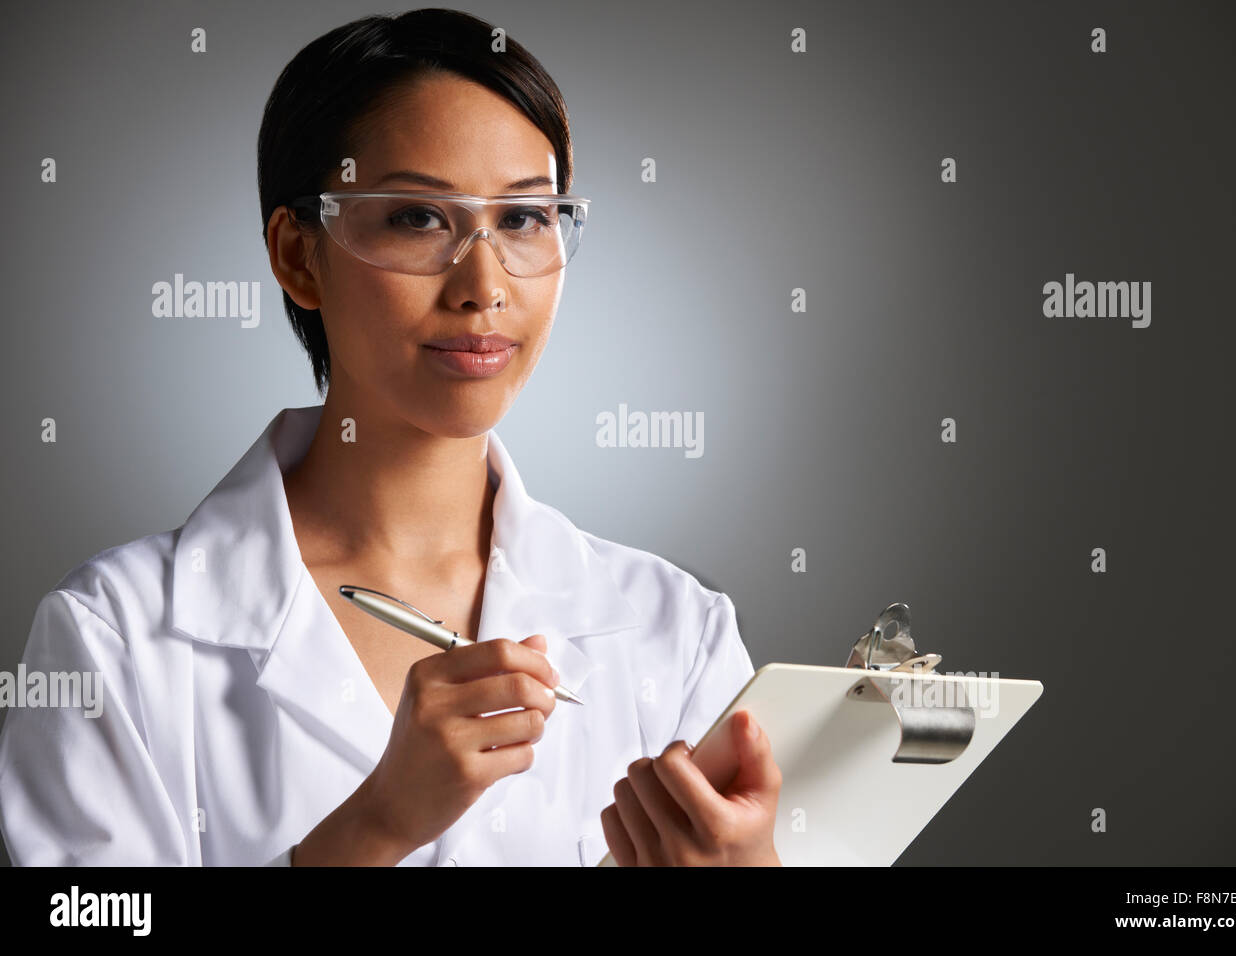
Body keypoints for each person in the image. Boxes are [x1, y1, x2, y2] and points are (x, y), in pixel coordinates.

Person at [0, 8, 781, 866]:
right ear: (299, 256)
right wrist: (376, 826)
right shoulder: (113, 637)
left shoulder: (674, 631)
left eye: (524, 219)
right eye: (417, 217)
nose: (483, 288)